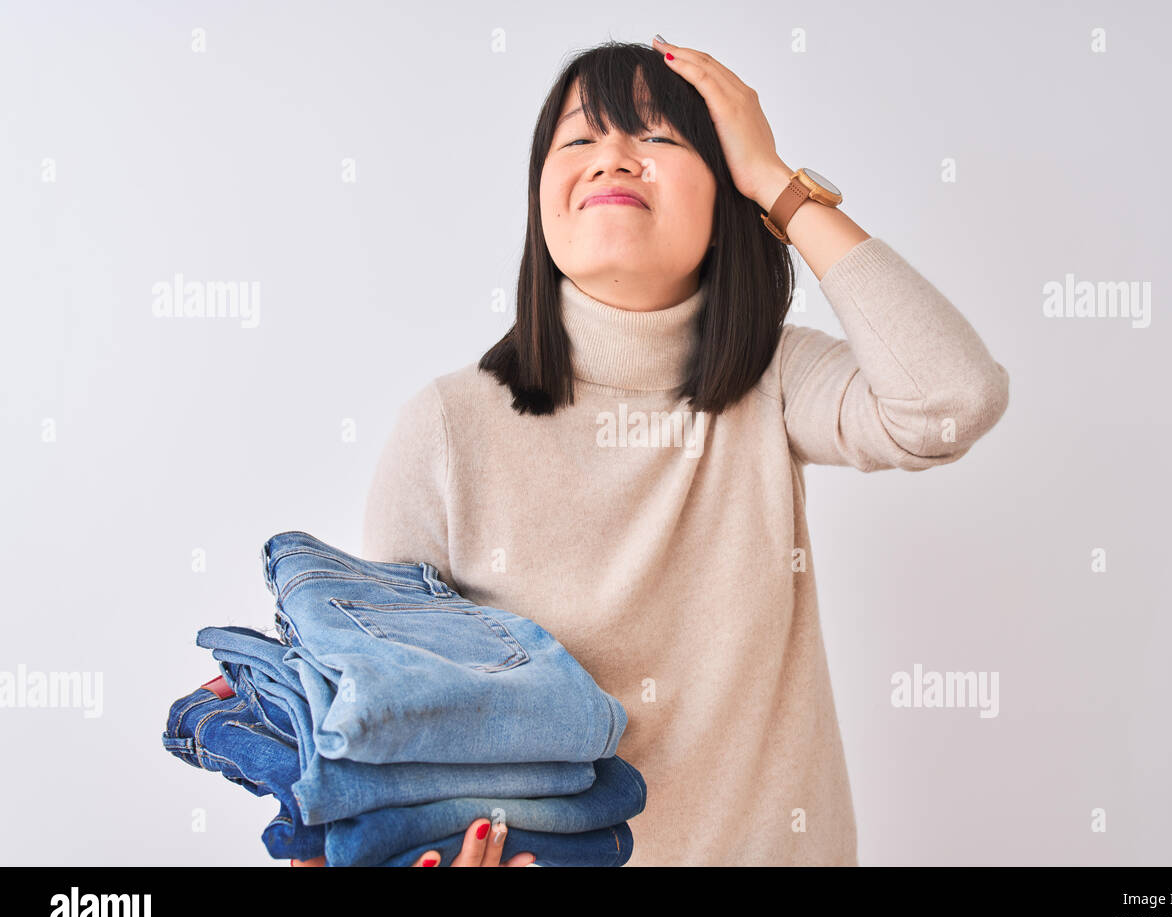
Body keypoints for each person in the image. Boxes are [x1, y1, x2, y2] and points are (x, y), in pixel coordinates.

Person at [295, 35, 1010, 867]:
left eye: (659, 138)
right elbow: (392, 714)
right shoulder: (449, 425)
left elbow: (953, 400)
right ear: (541, 199)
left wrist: (779, 184)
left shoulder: (776, 380)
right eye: (580, 138)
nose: (614, 160)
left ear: (726, 196)